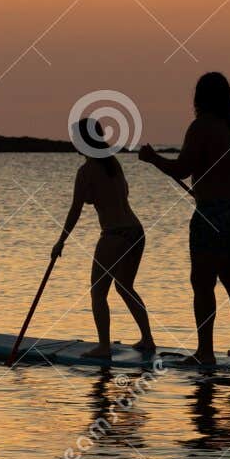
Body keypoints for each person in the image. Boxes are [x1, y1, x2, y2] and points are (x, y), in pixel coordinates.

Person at [139, 72, 230, 364]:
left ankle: (205, 352)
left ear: (199, 99)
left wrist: (153, 158)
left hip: (213, 215)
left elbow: (182, 169)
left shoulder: (201, 127)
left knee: (203, 281)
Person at [52, 118, 156, 358]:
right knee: (125, 286)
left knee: (98, 293)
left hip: (114, 235)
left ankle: (104, 347)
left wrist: (61, 241)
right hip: (136, 232)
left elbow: (75, 210)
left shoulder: (86, 171)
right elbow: (120, 193)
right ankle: (148, 339)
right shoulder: (113, 163)